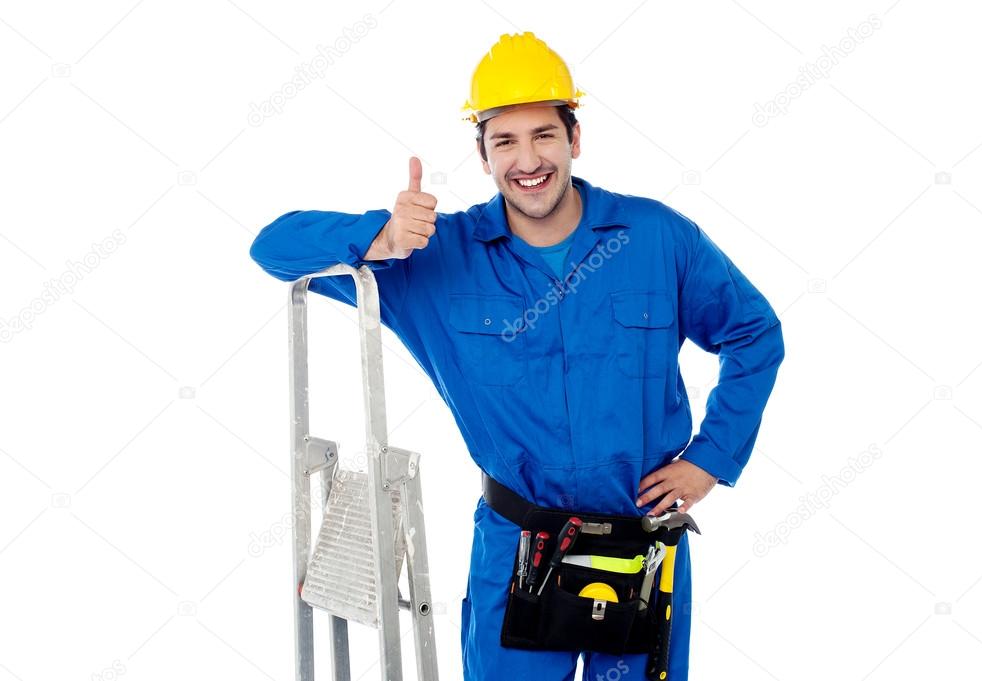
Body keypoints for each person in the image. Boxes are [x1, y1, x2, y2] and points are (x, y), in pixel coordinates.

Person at [250, 30, 784, 681]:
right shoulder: (435, 258)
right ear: (481, 154)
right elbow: (272, 247)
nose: (527, 159)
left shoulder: (654, 238)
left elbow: (753, 332)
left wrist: (712, 456)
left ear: (574, 139)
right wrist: (381, 237)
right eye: (504, 140)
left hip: (642, 548)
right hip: (517, 550)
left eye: (543, 135)